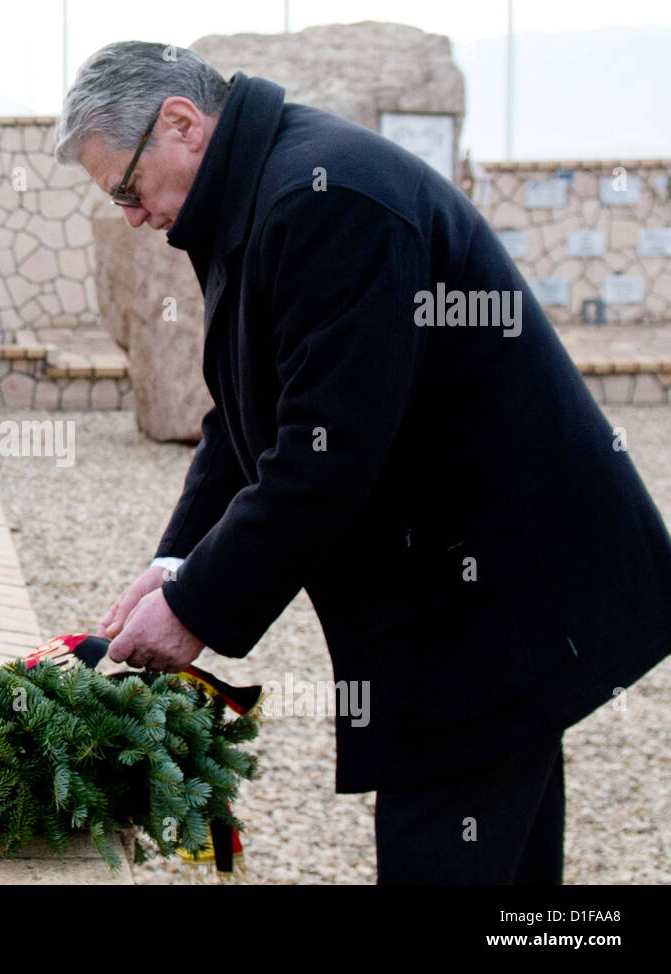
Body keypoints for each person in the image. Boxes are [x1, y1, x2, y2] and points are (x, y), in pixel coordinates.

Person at [54, 40, 671, 884]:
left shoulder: (328, 201)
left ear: (182, 124)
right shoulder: (261, 190)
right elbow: (245, 419)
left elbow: (327, 450)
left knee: (444, 848)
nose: (129, 213)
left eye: (126, 187)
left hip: (493, 597)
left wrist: (196, 607)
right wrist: (173, 566)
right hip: (459, 590)